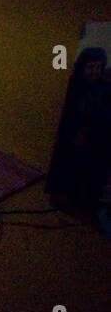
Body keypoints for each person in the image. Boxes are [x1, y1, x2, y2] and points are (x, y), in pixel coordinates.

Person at [45, 46, 111, 210]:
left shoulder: (104, 88)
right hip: (70, 140)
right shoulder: (72, 86)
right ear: (82, 67)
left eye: (98, 67)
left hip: (95, 140)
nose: (94, 71)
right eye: (90, 67)